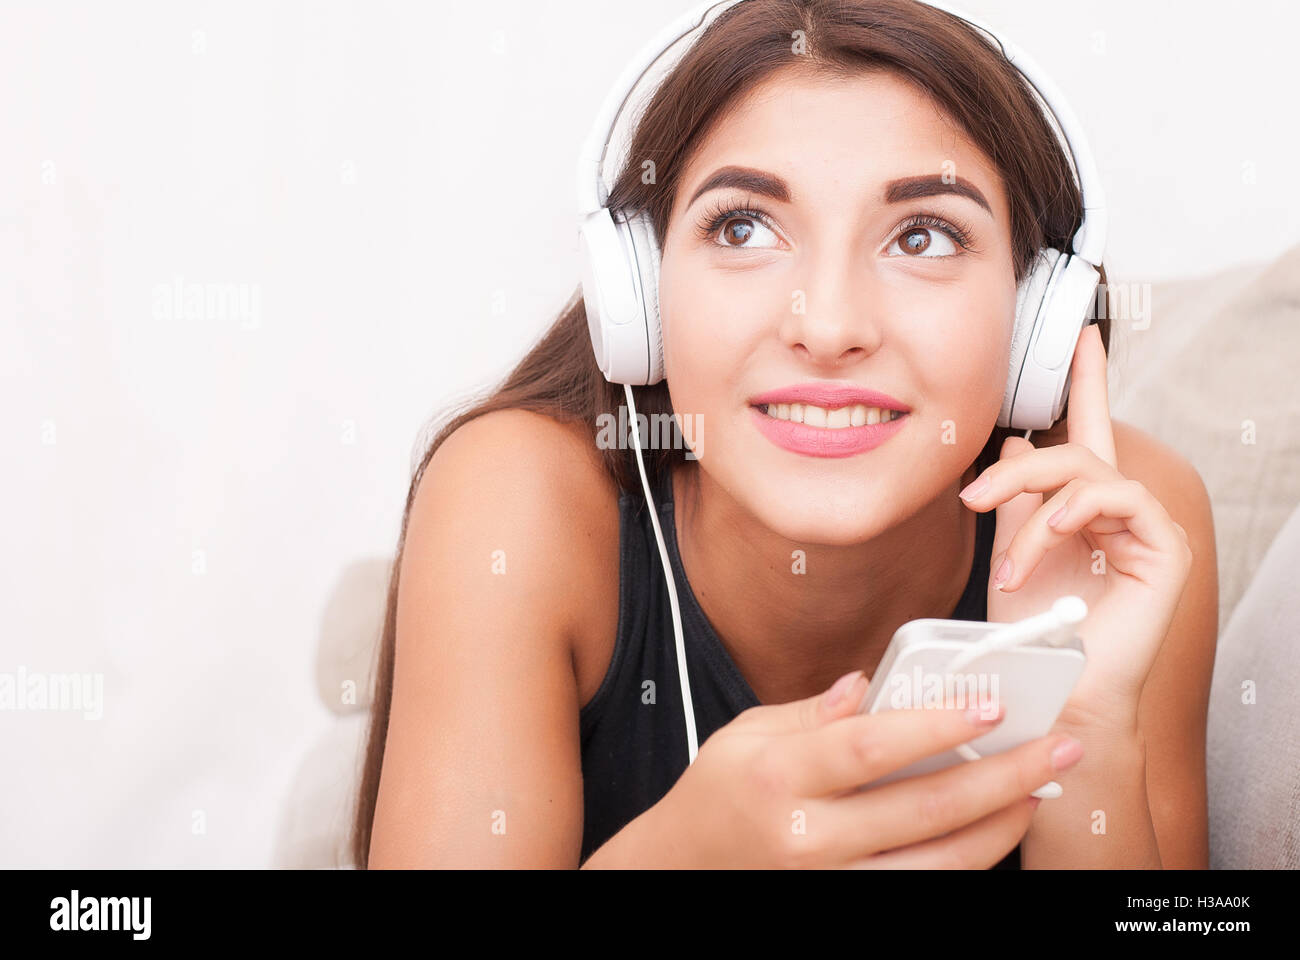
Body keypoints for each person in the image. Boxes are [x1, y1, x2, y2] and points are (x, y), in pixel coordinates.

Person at [356, 0, 1217, 869]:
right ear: (642, 302)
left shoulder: (1125, 536)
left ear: (1035, 316)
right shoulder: (515, 502)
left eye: (923, 236)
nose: (829, 324)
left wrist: (1085, 729)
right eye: (743, 227)